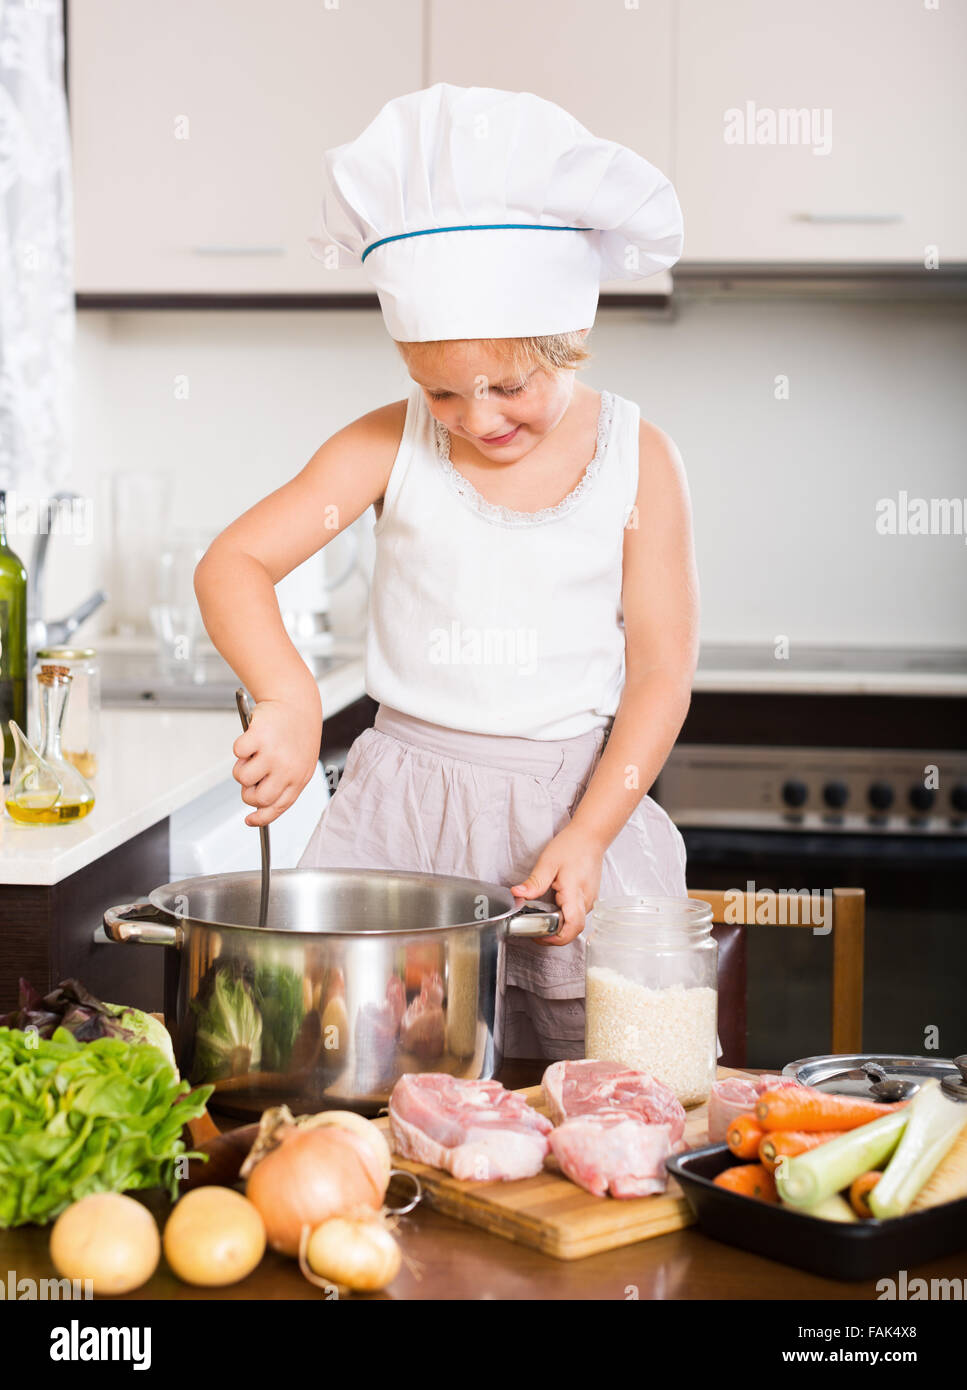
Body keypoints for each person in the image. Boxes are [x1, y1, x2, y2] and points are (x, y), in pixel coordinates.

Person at [194, 83, 698, 1060]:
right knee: (357, 1067)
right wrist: (288, 697)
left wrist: (592, 832)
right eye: (439, 389)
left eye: (512, 385)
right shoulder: (390, 446)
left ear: (571, 340)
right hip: (398, 812)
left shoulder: (642, 460)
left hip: (572, 809)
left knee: (578, 1077)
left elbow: (659, 674)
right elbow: (235, 562)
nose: (476, 418)